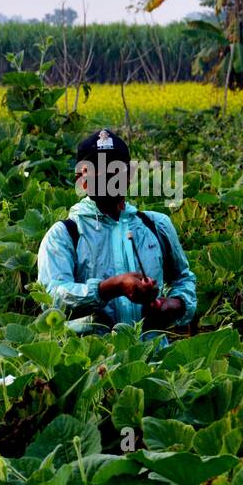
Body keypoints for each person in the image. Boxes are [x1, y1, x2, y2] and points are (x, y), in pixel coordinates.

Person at [37, 129, 196, 335]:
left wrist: (177, 304)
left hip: (153, 357)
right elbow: (51, 299)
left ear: (129, 174)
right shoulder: (64, 234)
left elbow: (183, 278)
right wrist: (109, 288)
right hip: (89, 359)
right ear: (80, 178)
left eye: (115, 168)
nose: (107, 175)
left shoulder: (156, 225)